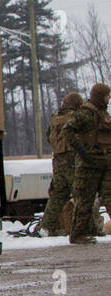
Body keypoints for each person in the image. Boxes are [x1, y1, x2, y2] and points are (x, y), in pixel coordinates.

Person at [38, 92, 92, 238]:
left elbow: (49, 137)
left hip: (57, 160)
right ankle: (89, 228)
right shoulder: (74, 118)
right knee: (81, 193)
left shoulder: (54, 119)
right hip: (72, 159)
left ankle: (45, 227)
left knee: (58, 195)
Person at [64, 82, 111, 245]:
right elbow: (68, 130)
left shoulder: (105, 113)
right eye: (107, 95)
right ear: (100, 96)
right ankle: (78, 234)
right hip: (89, 165)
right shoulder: (85, 113)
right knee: (84, 200)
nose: (109, 98)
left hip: (105, 163)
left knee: (109, 196)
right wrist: (81, 150)